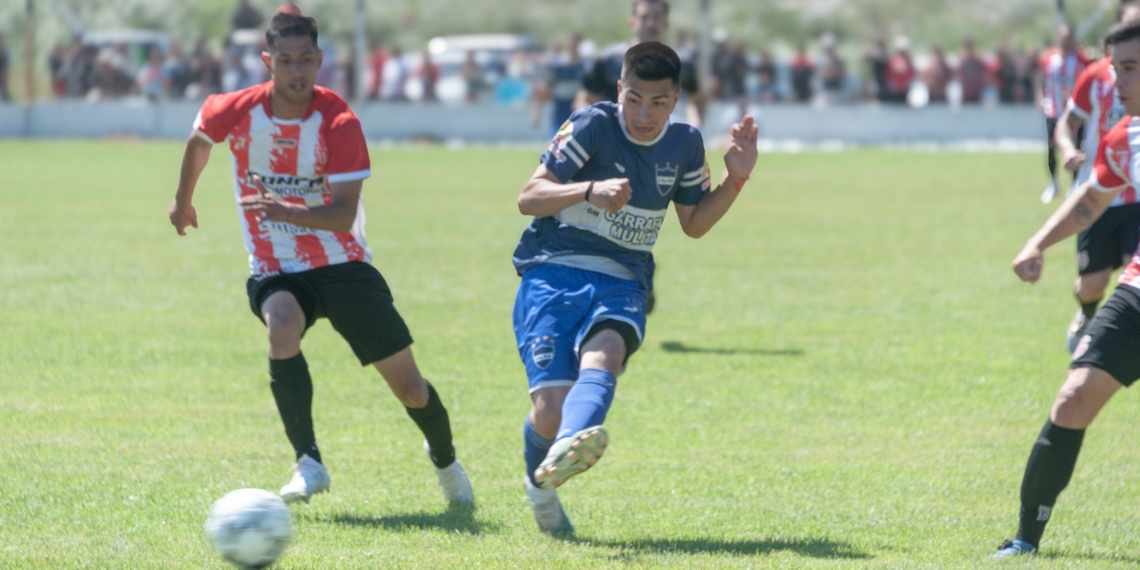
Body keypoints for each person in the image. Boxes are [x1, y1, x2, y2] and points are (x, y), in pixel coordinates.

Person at [166, 9, 473, 508]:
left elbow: (342, 216)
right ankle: (308, 462)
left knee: (411, 389)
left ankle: (446, 462)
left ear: (320, 60)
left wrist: (283, 207)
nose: (297, 70)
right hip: (277, 268)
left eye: (306, 59)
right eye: (286, 60)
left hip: (344, 266)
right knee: (280, 323)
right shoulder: (236, 109)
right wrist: (183, 200)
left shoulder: (339, 121)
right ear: (268, 61)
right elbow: (200, 140)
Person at [511, 41, 757, 534]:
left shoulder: (685, 144)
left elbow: (694, 223)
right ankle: (541, 482)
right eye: (635, 99)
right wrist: (586, 190)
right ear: (619, 89)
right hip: (553, 271)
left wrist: (736, 180)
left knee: (605, 355)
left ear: (676, 99)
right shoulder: (592, 125)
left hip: (623, 279)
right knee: (548, 410)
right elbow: (528, 196)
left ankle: (572, 442)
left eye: (659, 103)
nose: (645, 114)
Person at [997, 18, 1140, 559]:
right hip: (1139, 292)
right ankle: (1025, 541)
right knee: (1074, 396)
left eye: (1127, 69)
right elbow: (1089, 203)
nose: (1114, 82)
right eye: (1113, 67)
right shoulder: (1124, 137)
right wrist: (1036, 244)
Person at [1052, 0, 1140, 354]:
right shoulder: (1096, 76)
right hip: (1099, 193)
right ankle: (1087, 313)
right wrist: (1067, 150)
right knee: (1092, 284)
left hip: (1136, 196)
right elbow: (1067, 122)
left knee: (1129, 282)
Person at [1038, 23, 1092, 204]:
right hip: (1053, 111)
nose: (1065, 41)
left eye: (1068, 38)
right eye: (1062, 37)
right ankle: (1053, 183)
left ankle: (1075, 184)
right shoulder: (1048, 58)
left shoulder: (1080, 59)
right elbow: (1041, 79)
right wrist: (1040, 97)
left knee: (1077, 149)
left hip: (1074, 113)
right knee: (1052, 148)